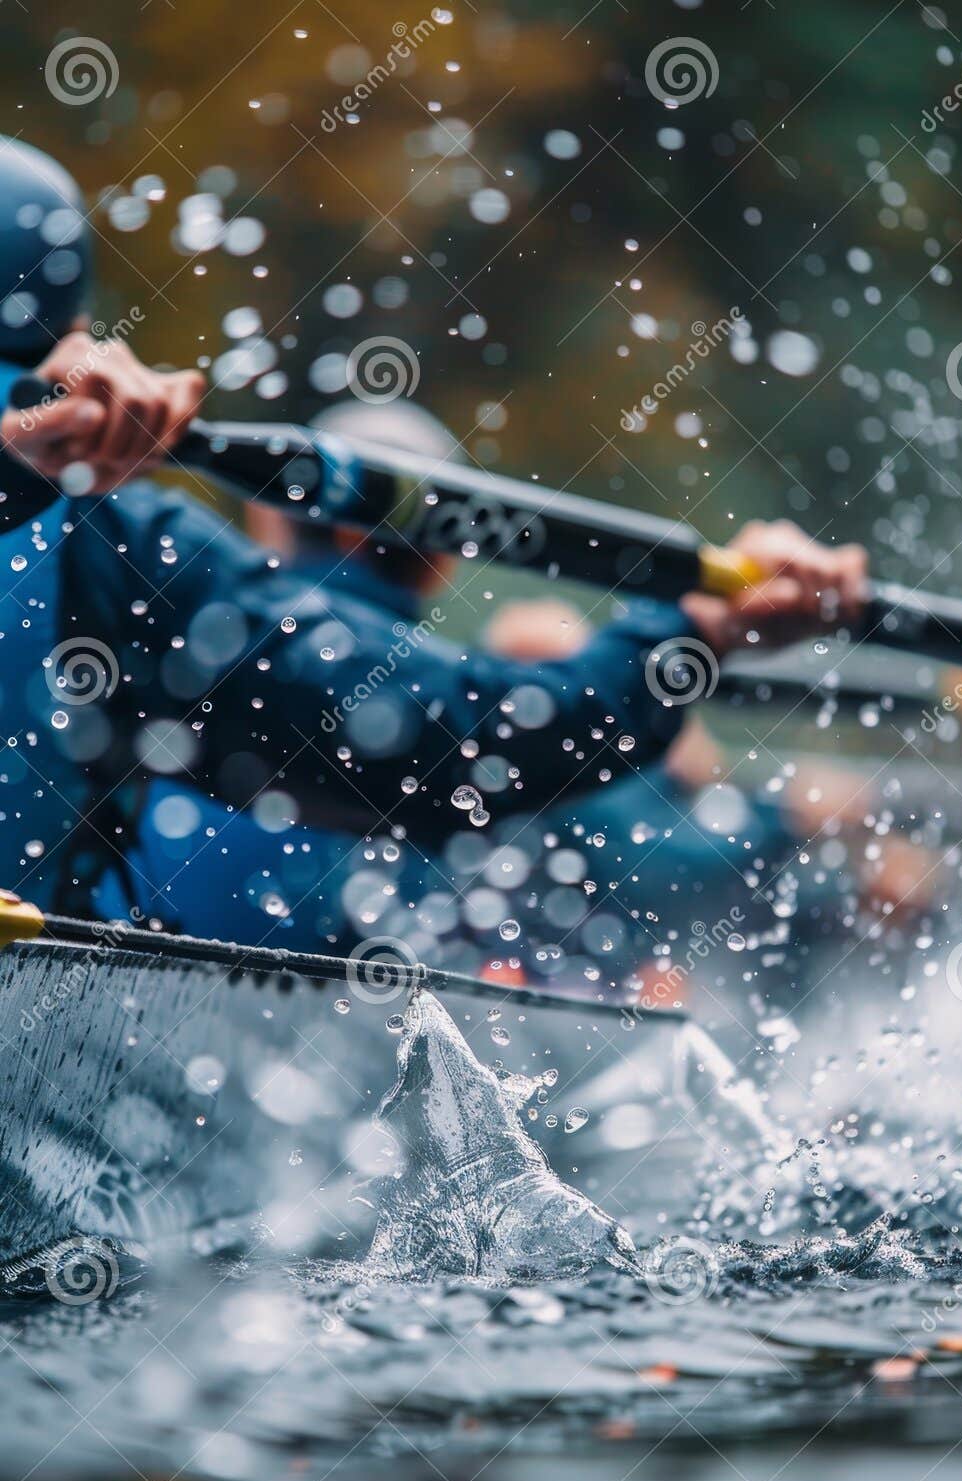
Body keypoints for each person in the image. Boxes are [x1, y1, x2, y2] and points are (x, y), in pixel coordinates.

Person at [0, 137, 868, 957]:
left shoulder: (122, 559)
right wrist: (691, 640)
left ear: (271, 522)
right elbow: (465, 753)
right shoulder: (116, 554)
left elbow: (436, 745)